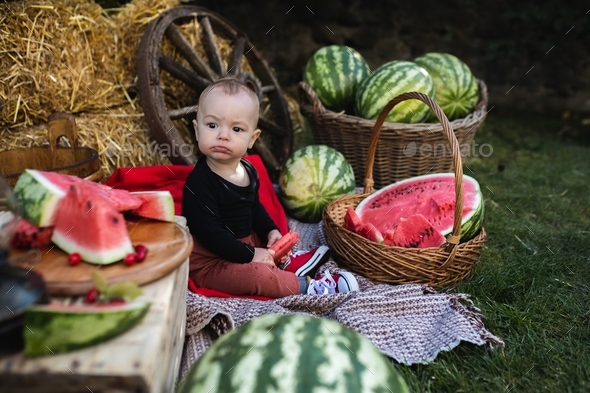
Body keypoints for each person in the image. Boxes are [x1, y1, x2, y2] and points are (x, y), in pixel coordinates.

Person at [182, 78, 359, 298]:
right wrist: (250, 255)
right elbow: (211, 234)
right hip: (211, 261)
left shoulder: (248, 170)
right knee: (258, 277)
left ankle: (283, 260)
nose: (223, 135)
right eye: (212, 125)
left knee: (262, 236)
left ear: (252, 139)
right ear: (197, 131)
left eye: (236, 129)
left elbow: (254, 208)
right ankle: (308, 286)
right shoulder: (199, 183)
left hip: (243, 243)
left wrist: (271, 231)